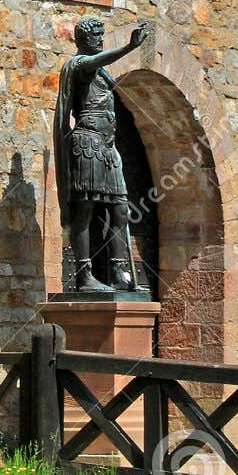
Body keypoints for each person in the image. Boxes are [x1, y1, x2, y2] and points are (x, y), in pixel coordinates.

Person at [53, 17, 148, 292]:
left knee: (120, 209)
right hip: (87, 144)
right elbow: (97, 61)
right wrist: (129, 47)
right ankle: (84, 276)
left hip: (107, 146)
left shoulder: (101, 71)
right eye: (96, 36)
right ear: (84, 40)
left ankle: (119, 273)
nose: (100, 40)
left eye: (102, 35)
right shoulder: (79, 64)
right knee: (84, 209)